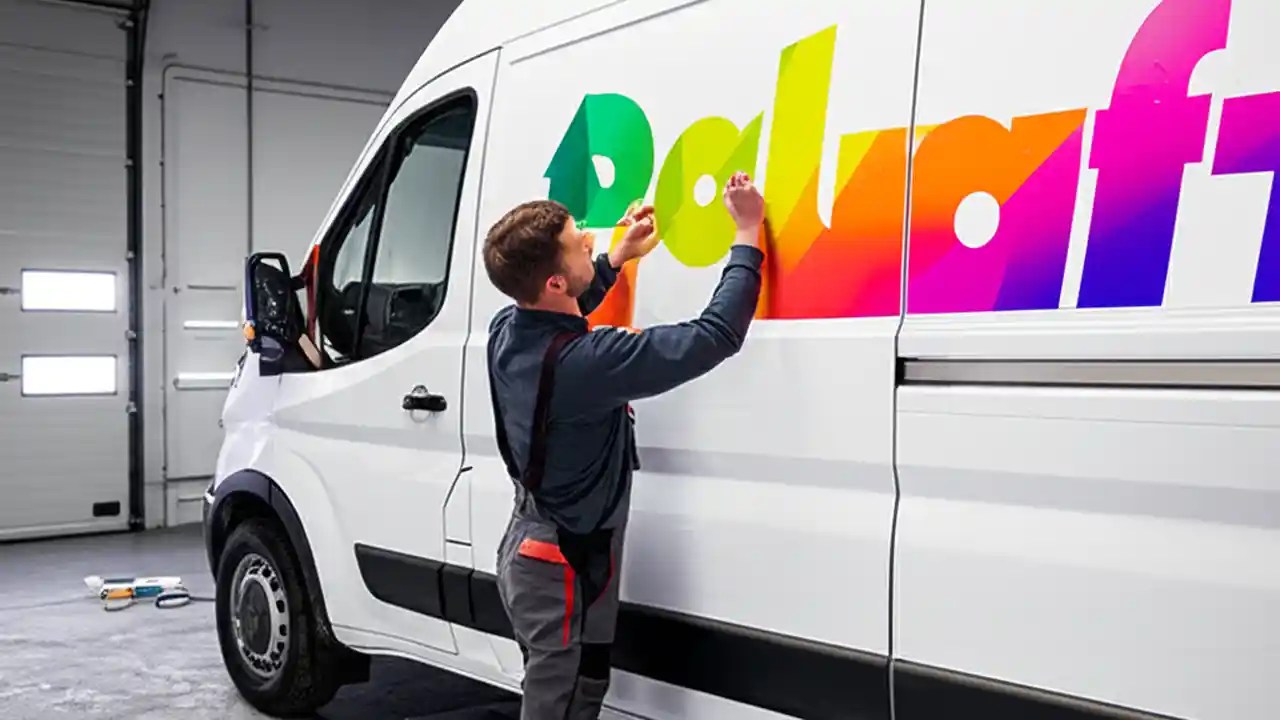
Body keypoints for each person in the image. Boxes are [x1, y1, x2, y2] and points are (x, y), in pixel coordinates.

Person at [482, 172, 766, 719]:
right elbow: (715, 335)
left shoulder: (507, 327)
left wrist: (614, 259)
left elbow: (564, 307)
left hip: (544, 546)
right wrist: (747, 232)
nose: (590, 238)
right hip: (561, 562)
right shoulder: (587, 365)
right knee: (560, 701)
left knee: (584, 685)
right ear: (555, 282)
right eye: (578, 241)